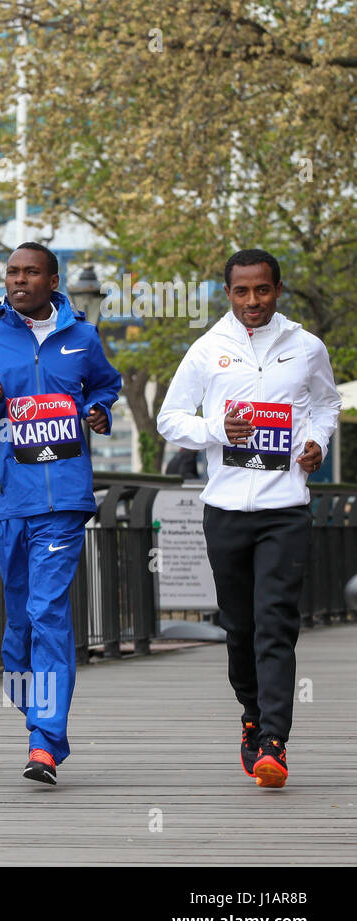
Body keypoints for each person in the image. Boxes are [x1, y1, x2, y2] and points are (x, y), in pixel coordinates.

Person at [157, 249, 340, 788]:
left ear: (277, 289)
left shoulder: (306, 347)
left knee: (275, 624)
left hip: (285, 510)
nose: (253, 301)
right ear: (228, 293)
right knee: (239, 627)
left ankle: (275, 743)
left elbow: (326, 405)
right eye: (242, 292)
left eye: (262, 290)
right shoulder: (207, 350)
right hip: (227, 510)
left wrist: (315, 442)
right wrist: (217, 430)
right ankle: (252, 714)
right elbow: (170, 419)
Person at [0, 242, 121, 785]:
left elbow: (105, 386)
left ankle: (44, 741)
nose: (19, 281)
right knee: (19, 625)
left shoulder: (82, 337)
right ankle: (38, 712)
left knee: (48, 611)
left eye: (30, 274)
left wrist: (97, 411)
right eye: (12, 273)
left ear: (53, 281)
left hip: (64, 501)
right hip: (9, 501)